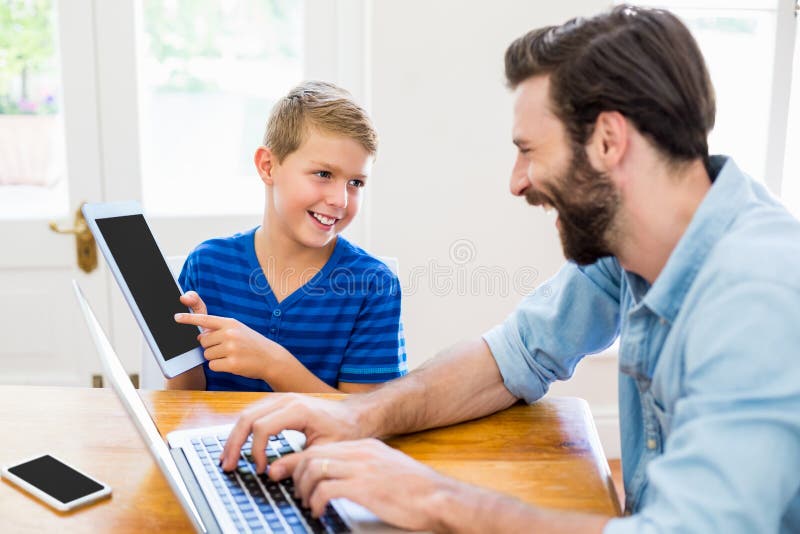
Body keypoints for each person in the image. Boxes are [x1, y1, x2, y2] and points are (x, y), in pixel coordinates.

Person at [219, 6, 800, 532]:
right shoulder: (627, 251)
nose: (517, 181)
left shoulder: (759, 297)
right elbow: (513, 355)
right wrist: (354, 416)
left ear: (607, 142)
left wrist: (438, 499)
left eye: (529, 149)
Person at [170, 81, 407, 393]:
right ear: (268, 166)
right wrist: (184, 349)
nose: (341, 199)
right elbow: (183, 403)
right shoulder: (207, 265)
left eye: (356, 182)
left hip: (321, 444)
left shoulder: (373, 285)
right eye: (324, 174)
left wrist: (273, 363)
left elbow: (366, 417)